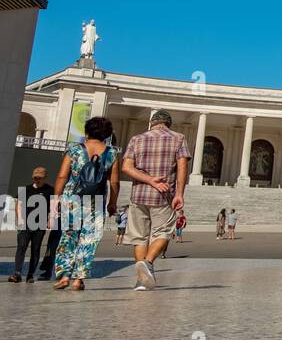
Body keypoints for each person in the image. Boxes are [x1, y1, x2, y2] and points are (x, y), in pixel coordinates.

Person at [121, 109, 191, 292]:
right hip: (164, 195)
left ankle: (141, 281)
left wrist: (148, 179)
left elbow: (126, 167)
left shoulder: (136, 139)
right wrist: (180, 193)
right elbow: (183, 166)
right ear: (168, 124)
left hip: (139, 195)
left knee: (139, 238)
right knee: (163, 233)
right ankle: (148, 262)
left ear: (152, 123)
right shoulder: (178, 138)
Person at [50, 115, 121, 291]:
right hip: (96, 200)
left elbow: (62, 176)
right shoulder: (112, 153)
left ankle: (64, 276)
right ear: (107, 134)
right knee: (89, 240)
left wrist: (56, 199)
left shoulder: (74, 149)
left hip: (72, 198)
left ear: (87, 131)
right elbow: (114, 182)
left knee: (68, 237)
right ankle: (78, 279)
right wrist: (112, 203)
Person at [9, 166, 53, 283]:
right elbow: (19, 205)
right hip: (26, 224)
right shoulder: (25, 190)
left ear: (45, 178)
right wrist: (20, 221)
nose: (37, 180)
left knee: (36, 249)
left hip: (40, 225)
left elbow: (54, 206)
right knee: (21, 247)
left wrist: (50, 218)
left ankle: (30, 275)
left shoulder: (50, 190)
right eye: (35, 178)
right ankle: (17, 273)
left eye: (40, 178)